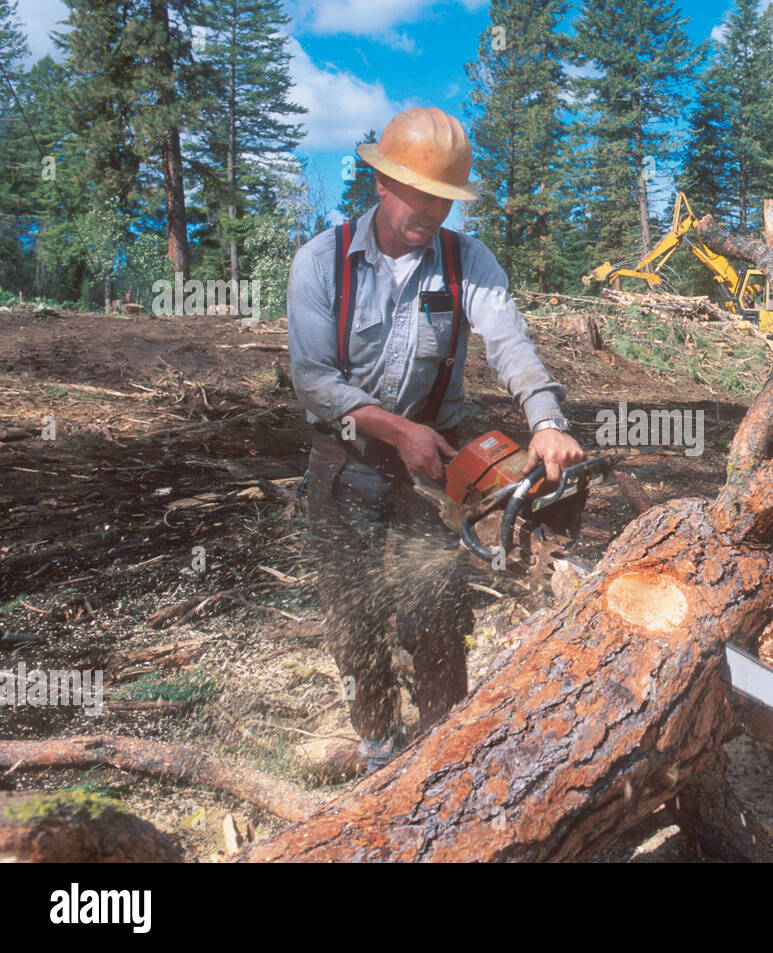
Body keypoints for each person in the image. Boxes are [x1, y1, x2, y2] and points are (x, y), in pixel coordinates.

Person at [286, 107, 583, 772]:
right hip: (348, 455)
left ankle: (449, 753)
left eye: (443, 199)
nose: (429, 210)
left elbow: (509, 339)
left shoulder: (465, 262)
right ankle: (378, 746)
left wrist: (545, 420)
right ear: (382, 184)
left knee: (440, 609)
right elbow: (312, 379)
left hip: (439, 451)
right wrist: (394, 429)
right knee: (354, 614)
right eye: (418, 193)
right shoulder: (320, 263)